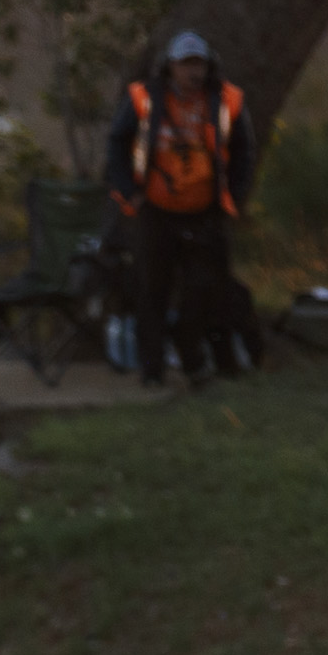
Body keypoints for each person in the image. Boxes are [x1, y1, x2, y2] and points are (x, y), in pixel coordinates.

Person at [105, 30, 261, 389]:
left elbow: (244, 150)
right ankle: (152, 371)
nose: (194, 72)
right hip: (156, 212)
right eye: (186, 64)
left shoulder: (226, 100)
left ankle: (212, 360)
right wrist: (130, 192)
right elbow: (117, 143)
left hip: (205, 213)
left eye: (199, 64)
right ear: (170, 67)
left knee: (209, 289)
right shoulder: (144, 98)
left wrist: (233, 196)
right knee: (152, 291)